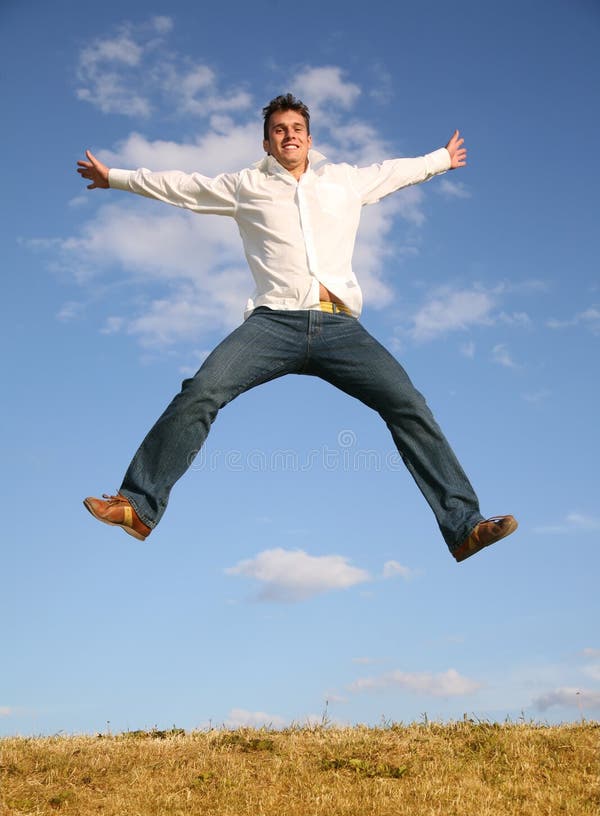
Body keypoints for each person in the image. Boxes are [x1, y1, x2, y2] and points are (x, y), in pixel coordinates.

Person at [77, 93, 517, 562]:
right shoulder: (245, 184)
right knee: (201, 391)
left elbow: (393, 172)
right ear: (267, 142)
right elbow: (182, 186)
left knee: (409, 405)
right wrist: (115, 178)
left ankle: (465, 525)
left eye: (297, 129)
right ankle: (137, 506)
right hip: (273, 323)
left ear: (310, 138)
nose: (290, 135)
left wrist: (441, 160)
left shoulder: (343, 180)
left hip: (340, 327)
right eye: (279, 130)